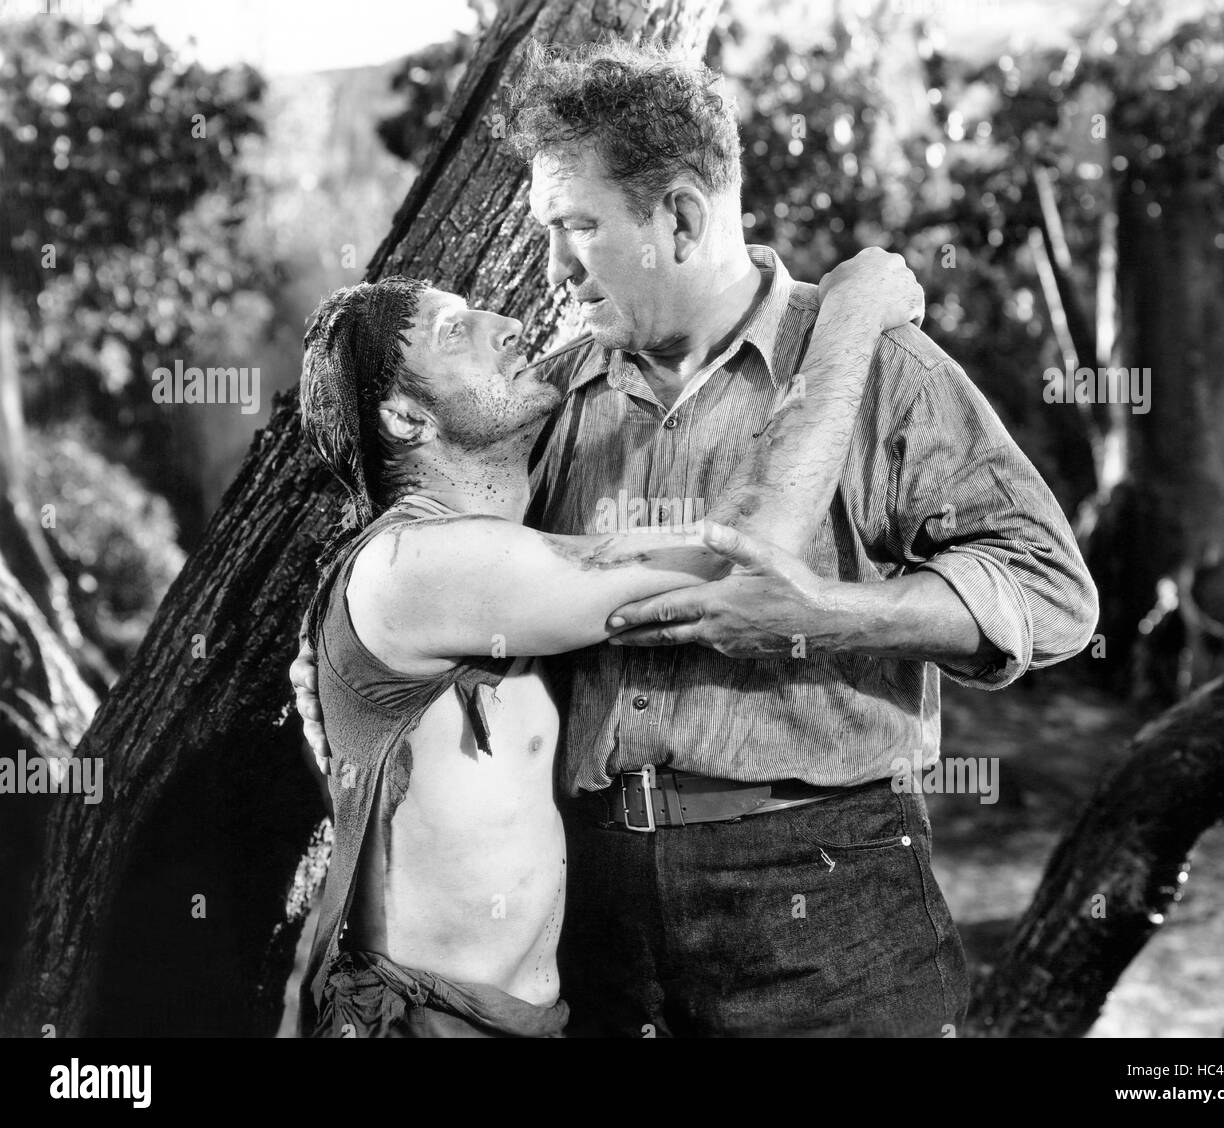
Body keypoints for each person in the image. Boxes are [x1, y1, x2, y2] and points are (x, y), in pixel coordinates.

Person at [294, 40, 1099, 1037]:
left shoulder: (894, 371)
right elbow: (471, 568)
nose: (549, 272)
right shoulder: (548, 400)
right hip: (595, 915)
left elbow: (1053, 595)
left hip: (825, 894)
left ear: (676, 215)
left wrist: (833, 618)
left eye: (574, 228)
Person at [293, 247, 924, 1037]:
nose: (510, 326)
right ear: (405, 419)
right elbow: (746, 548)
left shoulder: (471, 558)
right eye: (457, 332)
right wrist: (853, 317)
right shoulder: (417, 566)